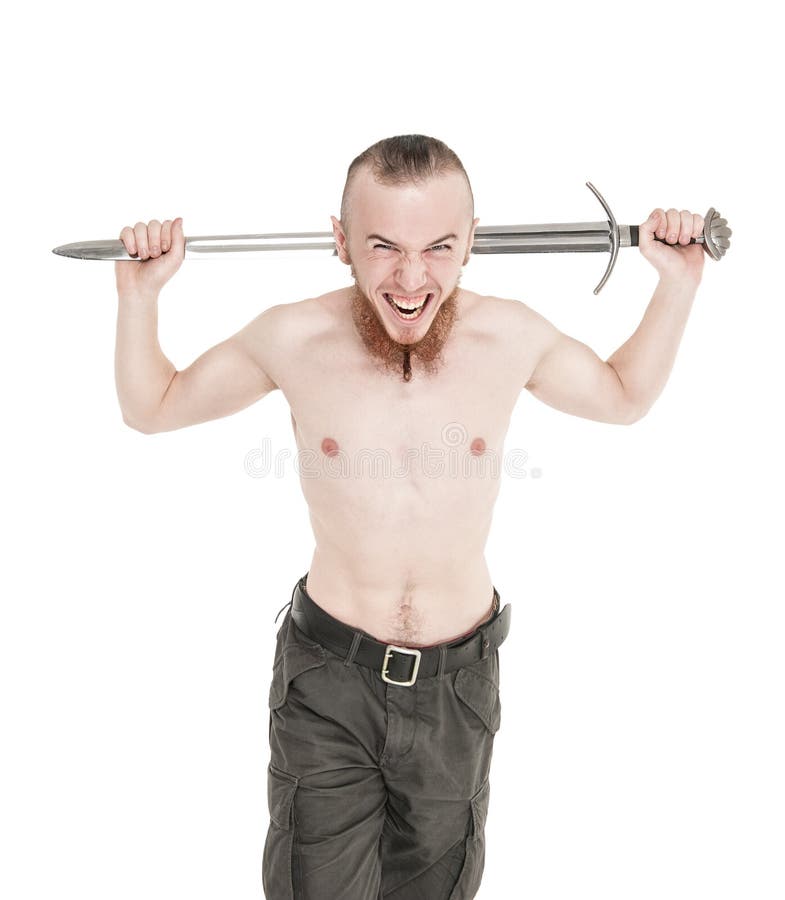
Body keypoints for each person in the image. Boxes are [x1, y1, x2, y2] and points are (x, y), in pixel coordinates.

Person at [114, 135, 706, 899]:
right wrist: (140, 297)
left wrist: (677, 286)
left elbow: (623, 396)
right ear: (340, 241)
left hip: (456, 687)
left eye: (437, 247)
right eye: (383, 246)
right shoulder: (291, 337)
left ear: (470, 244)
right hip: (328, 681)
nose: (409, 277)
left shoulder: (510, 335)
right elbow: (150, 408)